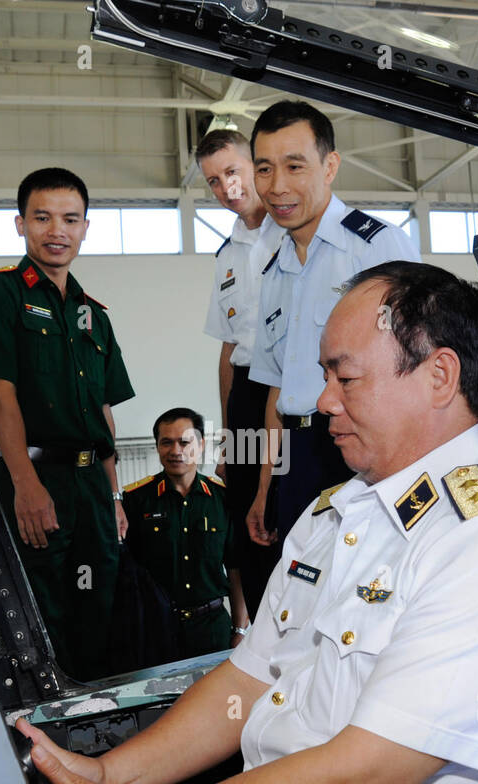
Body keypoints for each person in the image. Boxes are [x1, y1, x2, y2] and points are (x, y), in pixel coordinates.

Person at [18, 261, 478, 784]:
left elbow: (364, 777)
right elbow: (247, 680)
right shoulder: (333, 513)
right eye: (324, 376)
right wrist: (107, 779)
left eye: (346, 378)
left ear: (439, 376)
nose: (322, 401)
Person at [0, 167, 134, 682]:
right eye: (42, 217)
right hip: (35, 478)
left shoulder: (94, 316)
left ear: (85, 228)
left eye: (70, 219)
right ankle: (43, 735)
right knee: (39, 618)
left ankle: (96, 726)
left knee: (98, 613)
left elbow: (104, 413)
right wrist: (26, 485)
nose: (57, 230)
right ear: (20, 224)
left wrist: (115, 497)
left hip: (91, 490)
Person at [244, 100, 421, 561]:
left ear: (330, 166)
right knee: (300, 601)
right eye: (264, 169)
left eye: (294, 166)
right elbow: (276, 394)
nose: (277, 186)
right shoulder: (273, 272)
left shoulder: (376, 247)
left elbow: (412, 371)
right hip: (295, 460)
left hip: (361, 454)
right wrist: (267, 485)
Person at [196, 128, 285, 619]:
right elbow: (229, 350)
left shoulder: (294, 231)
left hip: (296, 394)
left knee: (283, 514)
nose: (226, 187)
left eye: (232, 171)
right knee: (247, 525)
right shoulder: (227, 255)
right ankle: (262, 639)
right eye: (213, 181)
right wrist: (229, 439)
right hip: (248, 400)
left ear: (255, 165)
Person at [122, 408, 249, 658]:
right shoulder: (136, 501)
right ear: (157, 447)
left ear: (201, 445)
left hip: (212, 629)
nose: (175, 450)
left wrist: (240, 630)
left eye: (184, 442)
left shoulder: (222, 499)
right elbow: (128, 574)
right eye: (166, 442)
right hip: (155, 629)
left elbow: (236, 570)